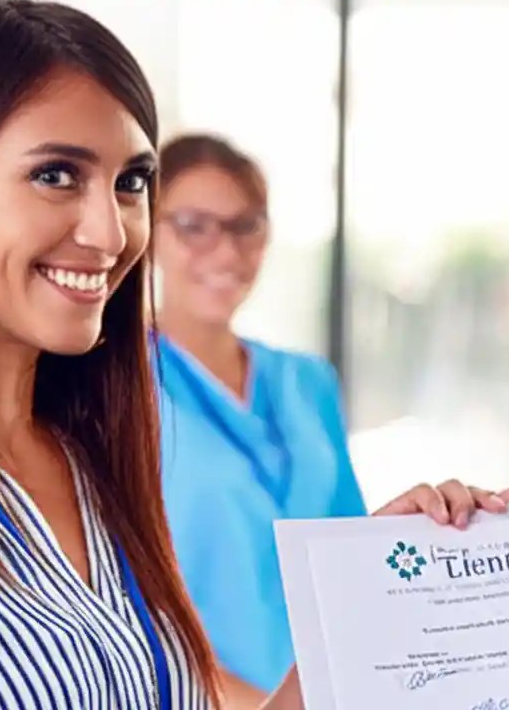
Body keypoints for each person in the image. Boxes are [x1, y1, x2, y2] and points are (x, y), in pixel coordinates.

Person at [0, 0, 509, 709]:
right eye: (57, 175)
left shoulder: (86, 458)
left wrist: (370, 601)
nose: (111, 231)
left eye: (131, 182)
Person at [150, 134, 367, 704]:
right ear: (147, 232)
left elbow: (355, 553)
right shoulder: (111, 388)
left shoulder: (309, 381)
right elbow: (118, 598)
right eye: (194, 225)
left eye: (245, 225)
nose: (225, 252)